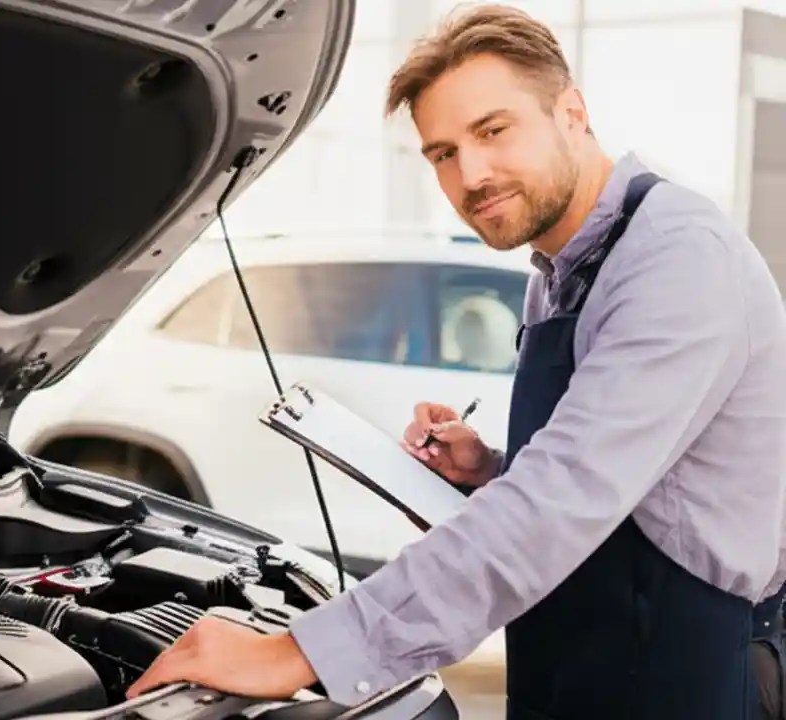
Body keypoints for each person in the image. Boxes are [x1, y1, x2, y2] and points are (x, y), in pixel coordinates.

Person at [125, 5, 786, 719]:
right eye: (442, 153)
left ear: (572, 112)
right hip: (577, 647)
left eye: (493, 130)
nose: (471, 174)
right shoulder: (558, 270)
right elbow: (635, 484)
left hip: (672, 670)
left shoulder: (677, 260)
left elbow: (559, 503)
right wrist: (490, 469)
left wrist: (301, 652)